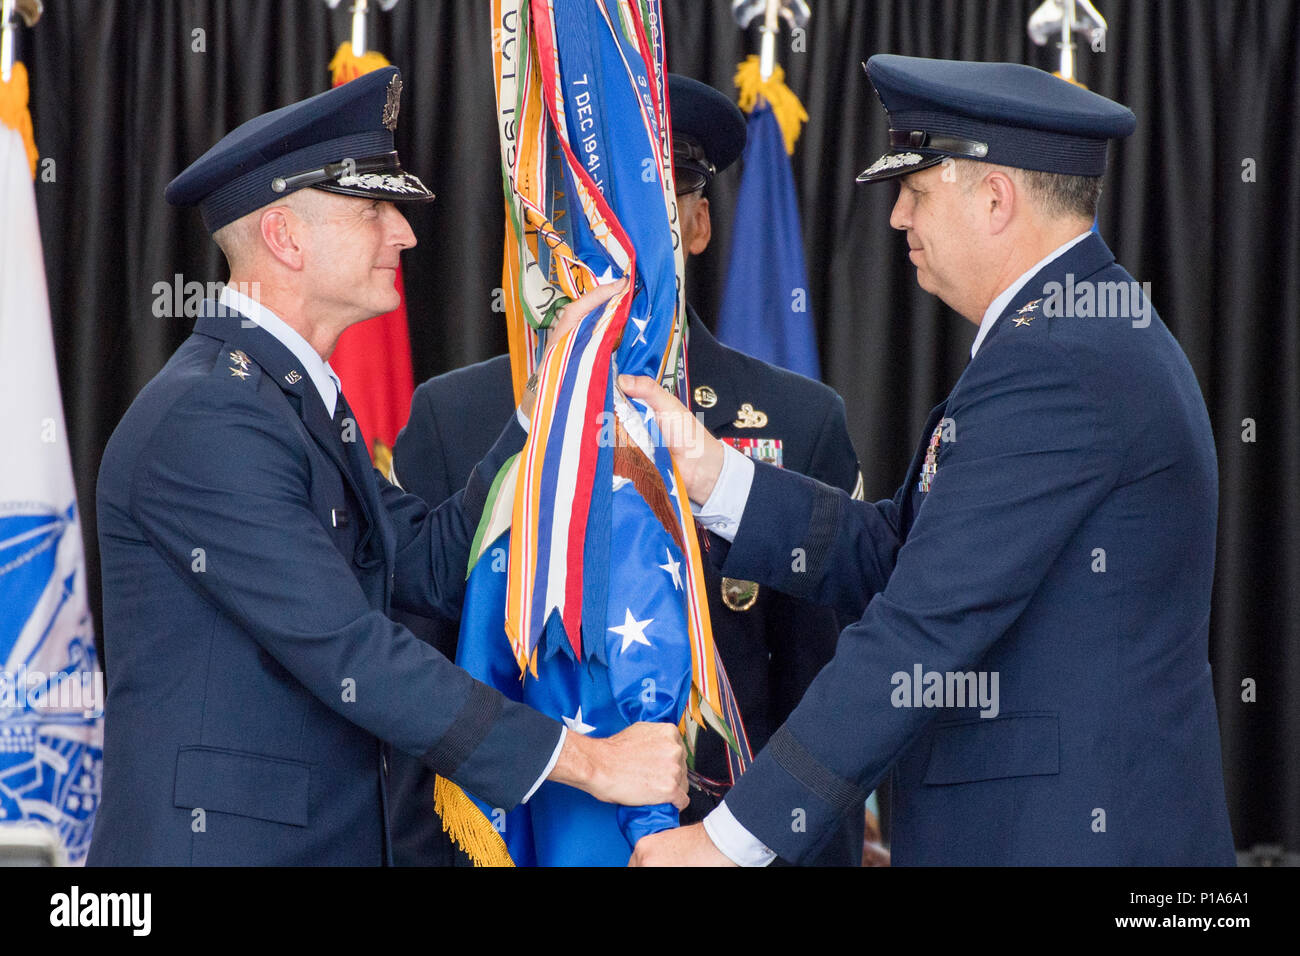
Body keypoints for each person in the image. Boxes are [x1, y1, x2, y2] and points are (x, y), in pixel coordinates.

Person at [625, 54, 1237, 866]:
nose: (897, 219)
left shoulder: (1060, 360)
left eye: (915, 191)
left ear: (994, 197)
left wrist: (731, 841)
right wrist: (712, 475)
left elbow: (920, 628)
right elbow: (903, 553)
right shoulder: (1068, 336)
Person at [89, 67, 686, 866]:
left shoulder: (283, 399)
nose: (403, 234)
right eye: (373, 209)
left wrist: (544, 402)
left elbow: (435, 565)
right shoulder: (212, 416)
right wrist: (590, 762)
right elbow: (352, 651)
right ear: (285, 237)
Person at [388, 74, 870, 866]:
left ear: (698, 222)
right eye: (590, 204)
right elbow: (416, 700)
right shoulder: (459, 421)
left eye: (647, 205)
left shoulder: (795, 420)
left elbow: (829, 707)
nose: (616, 233)